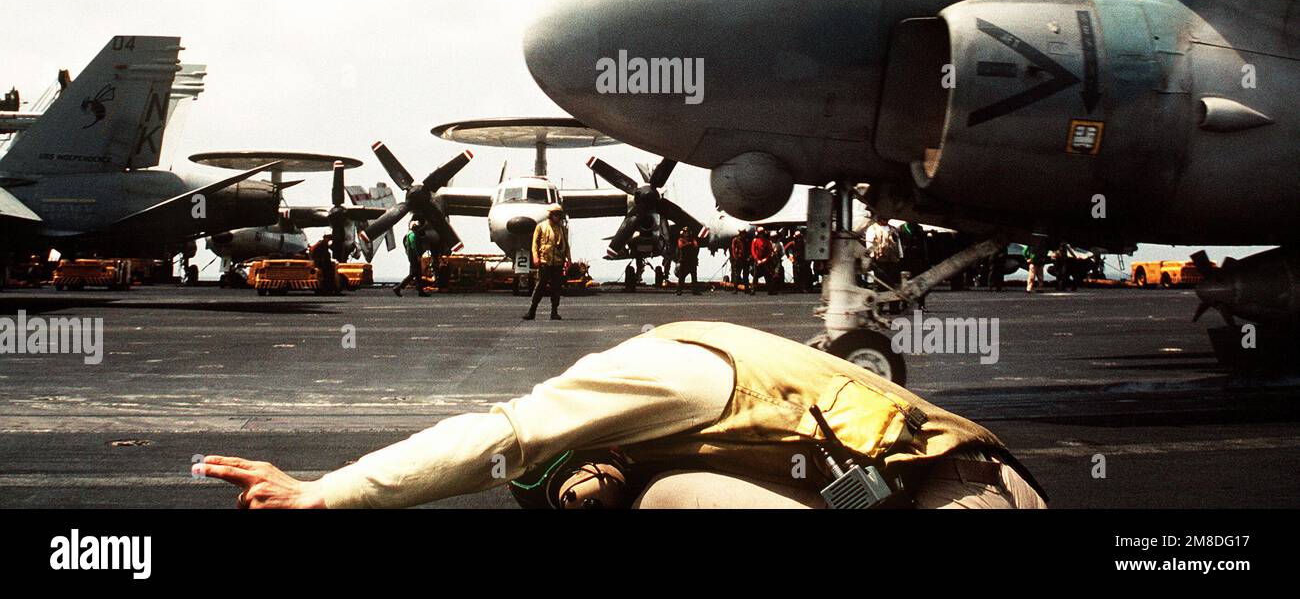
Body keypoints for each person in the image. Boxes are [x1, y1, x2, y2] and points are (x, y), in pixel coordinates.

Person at [197, 320, 1046, 510]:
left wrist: (324, 493)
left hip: (964, 500)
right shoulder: (687, 392)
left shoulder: (636, 379)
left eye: (571, 478)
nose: (574, 499)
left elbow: (502, 433)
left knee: (669, 499)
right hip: (967, 491)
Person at [525, 204, 568, 321]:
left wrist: (568, 258)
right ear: (550, 215)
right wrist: (535, 257)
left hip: (558, 262)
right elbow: (534, 244)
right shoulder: (541, 227)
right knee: (540, 287)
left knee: (556, 288)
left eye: (559, 215)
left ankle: (554, 311)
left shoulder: (562, 229)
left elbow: (566, 244)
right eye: (556, 214)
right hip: (545, 261)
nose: (558, 217)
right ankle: (532, 310)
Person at [863, 215, 903, 290]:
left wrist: (900, 255)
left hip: (892, 261)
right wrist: (871, 257)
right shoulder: (872, 229)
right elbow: (869, 245)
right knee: (881, 283)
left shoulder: (893, 229)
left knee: (892, 282)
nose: (885, 220)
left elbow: (898, 243)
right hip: (879, 261)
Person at [394, 220, 425, 297]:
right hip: (414, 257)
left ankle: (421, 292)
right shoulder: (412, 235)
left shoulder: (411, 234)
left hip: (413, 256)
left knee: (418, 274)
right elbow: (413, 246)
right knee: (413, 274)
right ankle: (398, 287)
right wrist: (417, 255)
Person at [749, 227, 776, 295]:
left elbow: (770, 252)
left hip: (765, 261)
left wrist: (765, 260)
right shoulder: (755, 241)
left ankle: (770, 290)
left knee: (768, 276)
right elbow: (753, 251)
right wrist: (757, 260)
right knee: (755, 276)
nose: (761, 235)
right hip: (757, 261)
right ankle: (753, 290)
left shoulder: (767, 242)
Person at [674, 226, 700, 295]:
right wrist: (688, 244)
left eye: (687, 232)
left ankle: (695, 291)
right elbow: (680, 246)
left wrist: (691, 243)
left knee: (694, 277)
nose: (686, 234)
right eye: (685, 232)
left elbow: (696, 245)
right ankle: (679, 290)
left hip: (692, 260)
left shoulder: (692, 240)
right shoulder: (681, 240)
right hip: (684, 260)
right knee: (682, 277)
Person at [729, 229, 751, 294]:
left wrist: (749, 257)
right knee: (737, 274)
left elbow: (749, 249)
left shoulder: (747, 240)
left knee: (746, 274)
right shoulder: (735, 240)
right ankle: (735, 289)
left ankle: (746, 289)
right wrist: (735, 257)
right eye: (742, 233)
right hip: (738, 259)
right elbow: (733, 249)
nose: (743, 235)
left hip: (745, 259)